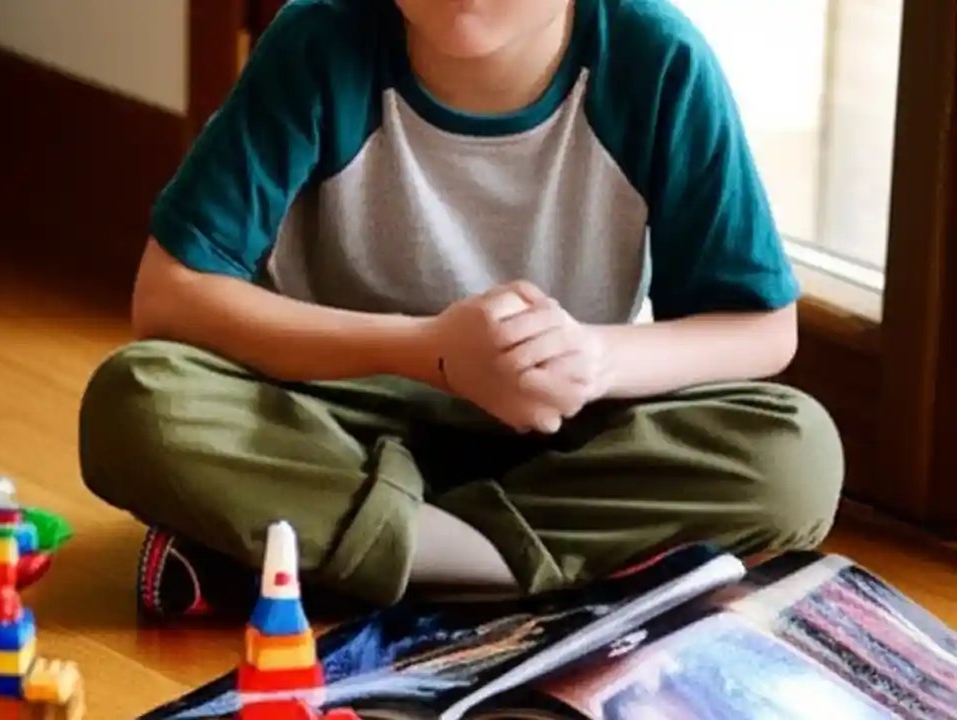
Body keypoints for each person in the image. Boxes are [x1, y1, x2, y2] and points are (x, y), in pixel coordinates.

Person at [78, 0, 845, 620]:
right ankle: (516, 574)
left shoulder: (656, 57)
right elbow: (169, 296)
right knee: (135, 402)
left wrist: (599, 357)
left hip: (553, 436)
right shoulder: (319, 38)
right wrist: (431, 351)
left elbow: (761, 327)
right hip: (330, 420)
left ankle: (344, 559)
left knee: (795, 453)